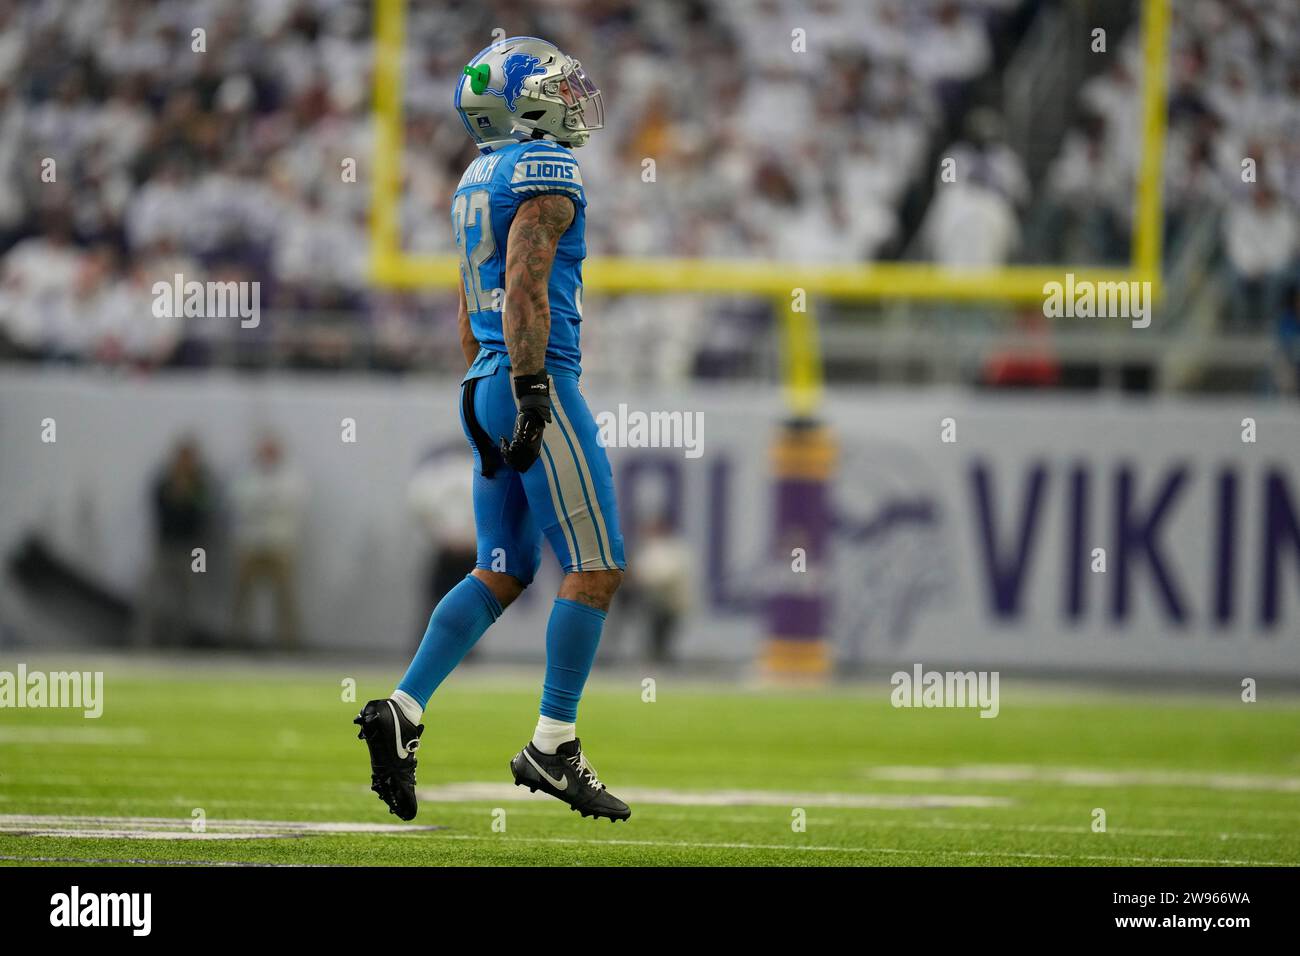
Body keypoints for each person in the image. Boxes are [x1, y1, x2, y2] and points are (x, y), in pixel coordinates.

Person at [354, 38, 629, 823]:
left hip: (479, 381)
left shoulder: (477, 175)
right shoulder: (546, 169)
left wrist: (489, 388)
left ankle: (403, 709)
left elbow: (468, 301)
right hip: (525, 375)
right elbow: (523, 283)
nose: (571, 97)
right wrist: (534, 388)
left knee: (502, 568)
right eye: (554, 86)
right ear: (520, 99)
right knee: (597, 566)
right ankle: (553, 743)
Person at [135, 436, 213, 646]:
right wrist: (177, 497)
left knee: (188, 598)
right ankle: (144, 643)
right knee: (152, 596)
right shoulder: (165, 482)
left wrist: (186, 498)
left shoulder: (200, 485)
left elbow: (203, 514)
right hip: (166, 545)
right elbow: (160, 511)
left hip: (194, 549)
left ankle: (179, 644)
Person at [231, 433, 305, 648]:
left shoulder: (291, 475)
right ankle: (238, 638)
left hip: (279, 543)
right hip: (250, 542)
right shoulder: (247, 474)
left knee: (285, 595)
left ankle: (288, 641)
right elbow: (239, 501)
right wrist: (268, 501)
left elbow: (292, 503)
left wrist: (263, 502)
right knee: (242, 593)